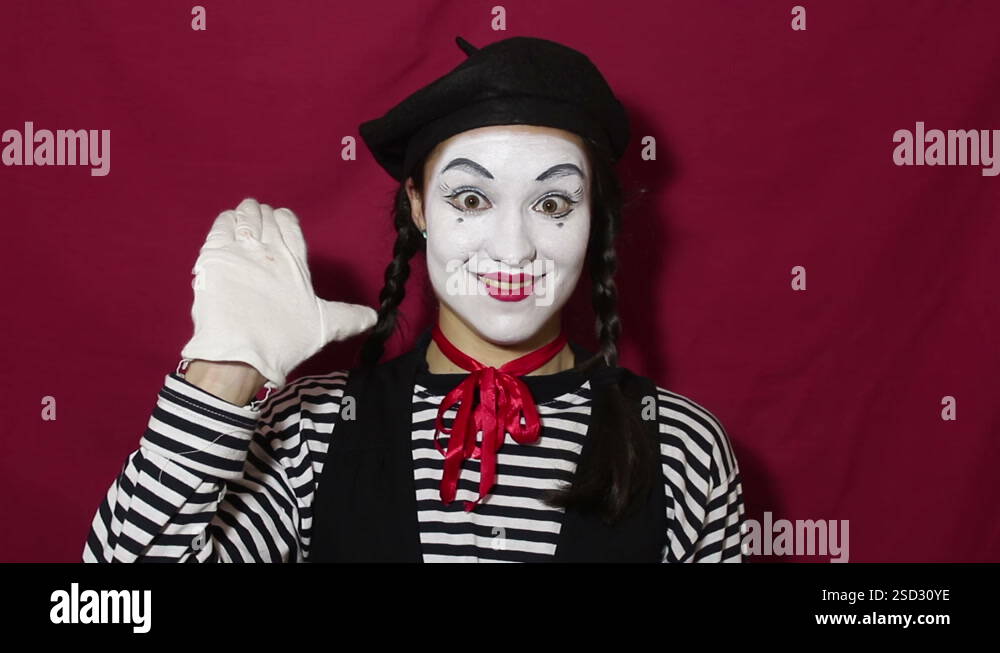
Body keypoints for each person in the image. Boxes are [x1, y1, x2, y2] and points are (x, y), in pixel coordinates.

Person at [83, 35, 745, 563]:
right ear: (420, 206)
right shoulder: (307, 433)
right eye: (470, 198)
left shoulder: (682, 446)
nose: (512, 250)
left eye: (552, 202)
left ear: (594, 216)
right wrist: (221, 373)